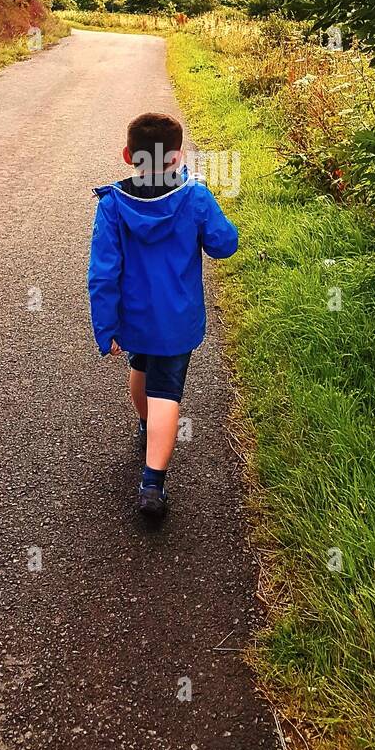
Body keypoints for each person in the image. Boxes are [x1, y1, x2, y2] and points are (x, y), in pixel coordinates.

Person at [88, 111, 238, 518]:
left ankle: (145, 425)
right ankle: (152, 485)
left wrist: (106, 327)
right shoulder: (194, 197)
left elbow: (103, 273)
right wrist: (208, 206)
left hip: (133, 319)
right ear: (177, 158)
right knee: (166, 394)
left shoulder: (113, 205)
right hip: (176, 321)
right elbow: (225, 245)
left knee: (140, 369)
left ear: (126, 156)